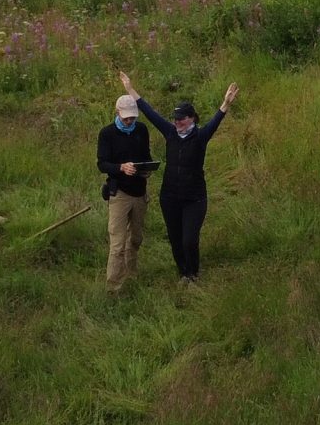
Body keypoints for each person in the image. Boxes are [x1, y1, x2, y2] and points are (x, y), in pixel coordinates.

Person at [118, 71, 237, 282]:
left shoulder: (200, 136)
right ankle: (183, 272)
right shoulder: (170, 132)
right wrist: (130, 88)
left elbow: (215, 121)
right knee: (175, 239)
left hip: (194, 198)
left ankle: (193, 273)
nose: (177, 122)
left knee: (189, 240)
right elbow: (149, 112)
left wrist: (225, 104)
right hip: (170, 197)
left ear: (192, 118)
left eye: (181, 119)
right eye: (175, 119)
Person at [96, 92, 153, 294]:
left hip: (139, 191)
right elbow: (102, 164)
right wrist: (121, 167)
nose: (129, 121)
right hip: (119, 192)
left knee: (136, 238)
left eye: (132, 117)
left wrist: (146, 169)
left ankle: (131, 274)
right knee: (117, 243)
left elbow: (146, 156)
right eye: (126, 117)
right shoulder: (107, 134)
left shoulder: (141, 130)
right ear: (117, 113)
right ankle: (114, 287)